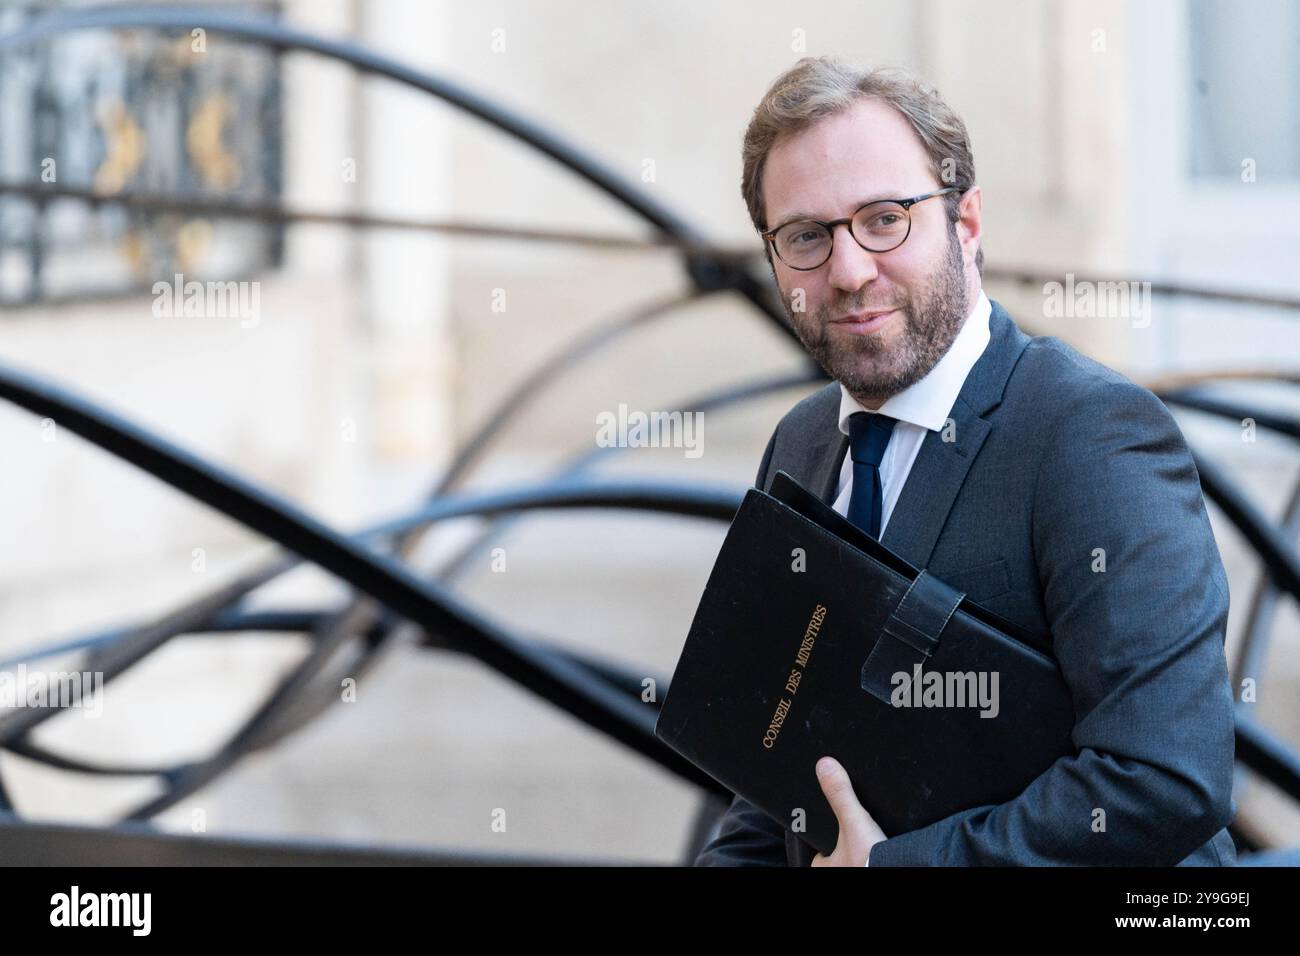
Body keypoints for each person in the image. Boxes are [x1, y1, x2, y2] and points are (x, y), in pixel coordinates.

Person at [695, 56, 1237, 867]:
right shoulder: (802, 444)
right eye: (806, 236)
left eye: (885, 219)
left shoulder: (1092, 434)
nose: (848, 271)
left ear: (968, 224)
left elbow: (1163, 779)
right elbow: (774, 784)